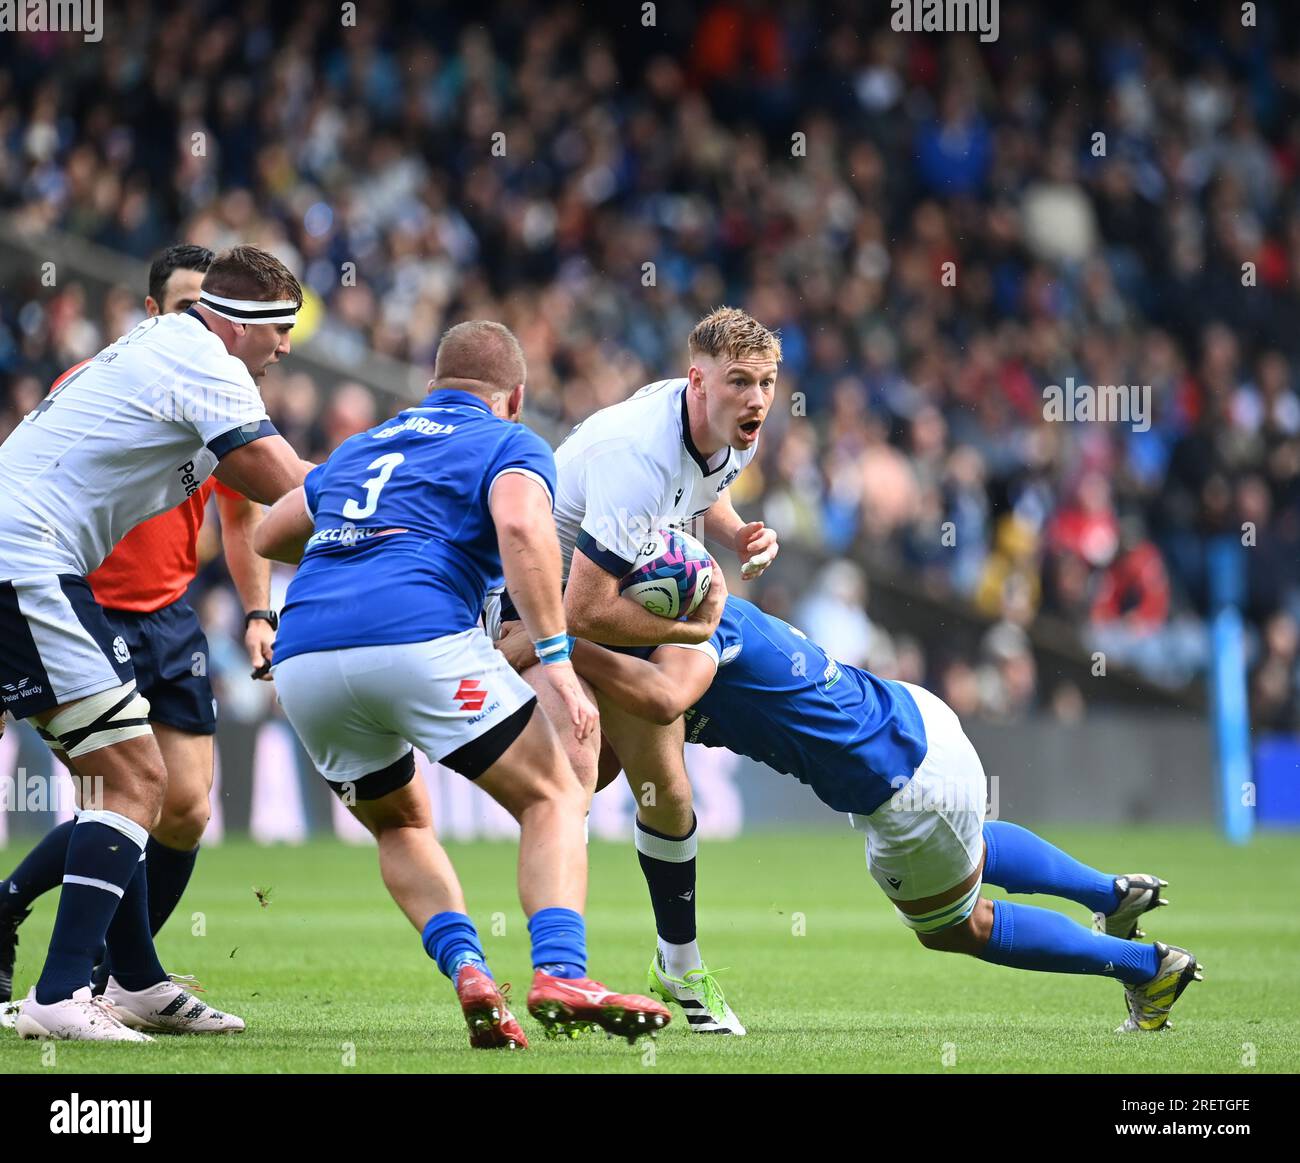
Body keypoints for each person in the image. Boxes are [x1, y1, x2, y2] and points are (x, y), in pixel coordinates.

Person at [499, 586, 1204, 1034]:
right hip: (920, 720)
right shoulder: (687, 620)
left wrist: (562, 646)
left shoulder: (697, 632)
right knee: (972, 851)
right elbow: (616, 762)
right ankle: (1108, 892)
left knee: (956, 926)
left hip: (906, 793)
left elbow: (659, 701)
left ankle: (1143, 965)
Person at [256, 320, 670, 1049]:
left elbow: (271, 533)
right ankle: (562, 970)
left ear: (431, 386)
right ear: (514, 396)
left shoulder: (363, 446)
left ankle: (469, 968)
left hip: (305, 653)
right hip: (415, 633)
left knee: (401, 823)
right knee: (552, 793)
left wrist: (362, 536)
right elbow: (519, 525)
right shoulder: (510, 442)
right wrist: (556, 656)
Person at [0, 244, 311, 1041]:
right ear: (240, 324)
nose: (286, 347)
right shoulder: (201, 356)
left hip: (33, 560)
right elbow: (290, 482)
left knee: (123, 784)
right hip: (30, 562)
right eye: (280, 328)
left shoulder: (172, 356)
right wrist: (410, 512)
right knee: (139, 776)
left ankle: (132, 979)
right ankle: (60, 993)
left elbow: (263, 507)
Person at [495, 306, 780, 1035]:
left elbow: (704, 489)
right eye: (739, 382)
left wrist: (737, 530)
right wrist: (689, 623)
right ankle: (562, 974)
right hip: (543, 600)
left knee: (659, 782)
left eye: (767, 383)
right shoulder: (637, 455)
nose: (755, 398)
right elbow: (582, 606)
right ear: (697, 380)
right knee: (575, 777)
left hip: (610, 592)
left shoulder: (733, 427)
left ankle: (677, 963)